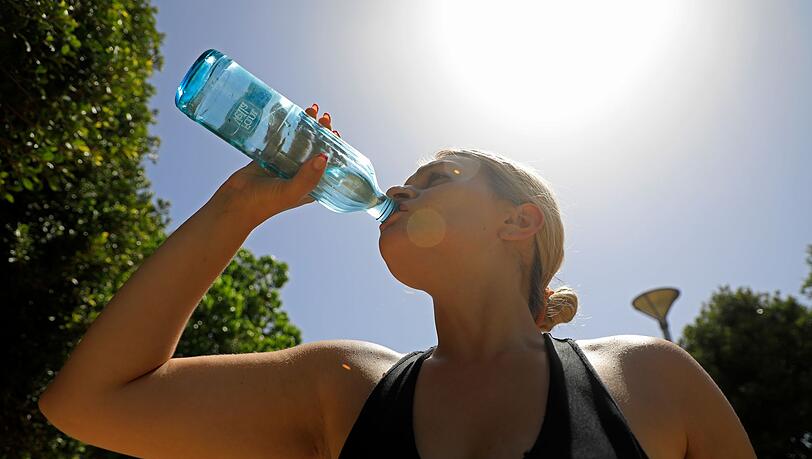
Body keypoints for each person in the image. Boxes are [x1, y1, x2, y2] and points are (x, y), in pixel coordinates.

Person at [38, 104, 756, 459]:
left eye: (435, 179)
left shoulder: (650, 377)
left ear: (518, 222)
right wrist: (240, 205)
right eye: (404, 182)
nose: (401, 194)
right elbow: (88, 402)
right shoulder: (343, 385)